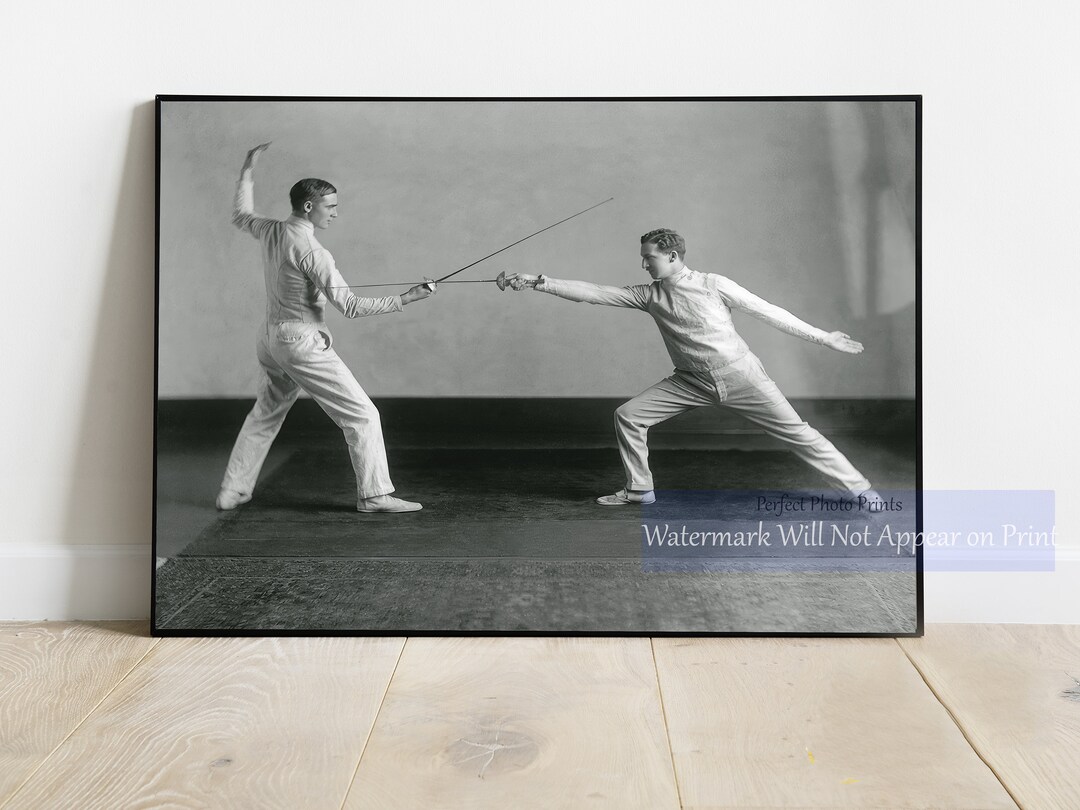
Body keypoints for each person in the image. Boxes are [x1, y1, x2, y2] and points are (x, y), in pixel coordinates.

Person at [505, 228, 878, 505]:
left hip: (741, 376)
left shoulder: (713, 284)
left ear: (671, 255)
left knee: (800, 434)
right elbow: (596, 293)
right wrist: (538, 282)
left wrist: (822, 337)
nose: (643, 264)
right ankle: (639, 489)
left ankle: (861, 491)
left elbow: (767, 311)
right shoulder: (648, 295)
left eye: (649, 257)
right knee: (629, 416)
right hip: (690, 382)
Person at [216, 143, 435, 514]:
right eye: (330, 206)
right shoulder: (313, 251)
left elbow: (241, 215)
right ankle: (374, 495)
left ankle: (232, 490)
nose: (335, 213)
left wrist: (247, 170)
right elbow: (350, 306)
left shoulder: (272, 230)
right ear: (308, 207)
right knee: (363, 415)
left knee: (266, 412)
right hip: (298, 342)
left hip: (270, 338)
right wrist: (406, 298)